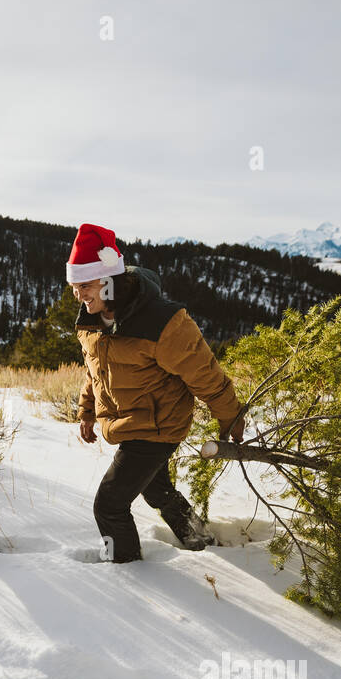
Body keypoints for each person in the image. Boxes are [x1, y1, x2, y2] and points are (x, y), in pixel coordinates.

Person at [67, 223, 245, 562]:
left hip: (159, 426)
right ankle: (198, 537)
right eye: (74, 286)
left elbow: (205, 374)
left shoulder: (163, 322)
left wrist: (231, 416)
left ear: (108, 280)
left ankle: (126, 567)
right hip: (129, 422)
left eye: (85, 285)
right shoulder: (90, 320)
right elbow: (95, 371)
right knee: (156, 489)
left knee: (109, 506)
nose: (79, 295)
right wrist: (87, 412)